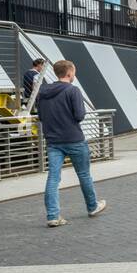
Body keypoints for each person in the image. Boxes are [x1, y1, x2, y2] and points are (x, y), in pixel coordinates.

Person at [37, 60, 106, 226]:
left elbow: (40, 116)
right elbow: (80, 115)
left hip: (53, 141)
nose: (74, 75)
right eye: (74, 72)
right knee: (83, 174)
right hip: (74, 139)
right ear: (69, 73)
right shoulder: (73, 90)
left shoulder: (42, 92)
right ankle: (92, 206)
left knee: (53, 178)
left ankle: (53, 216)